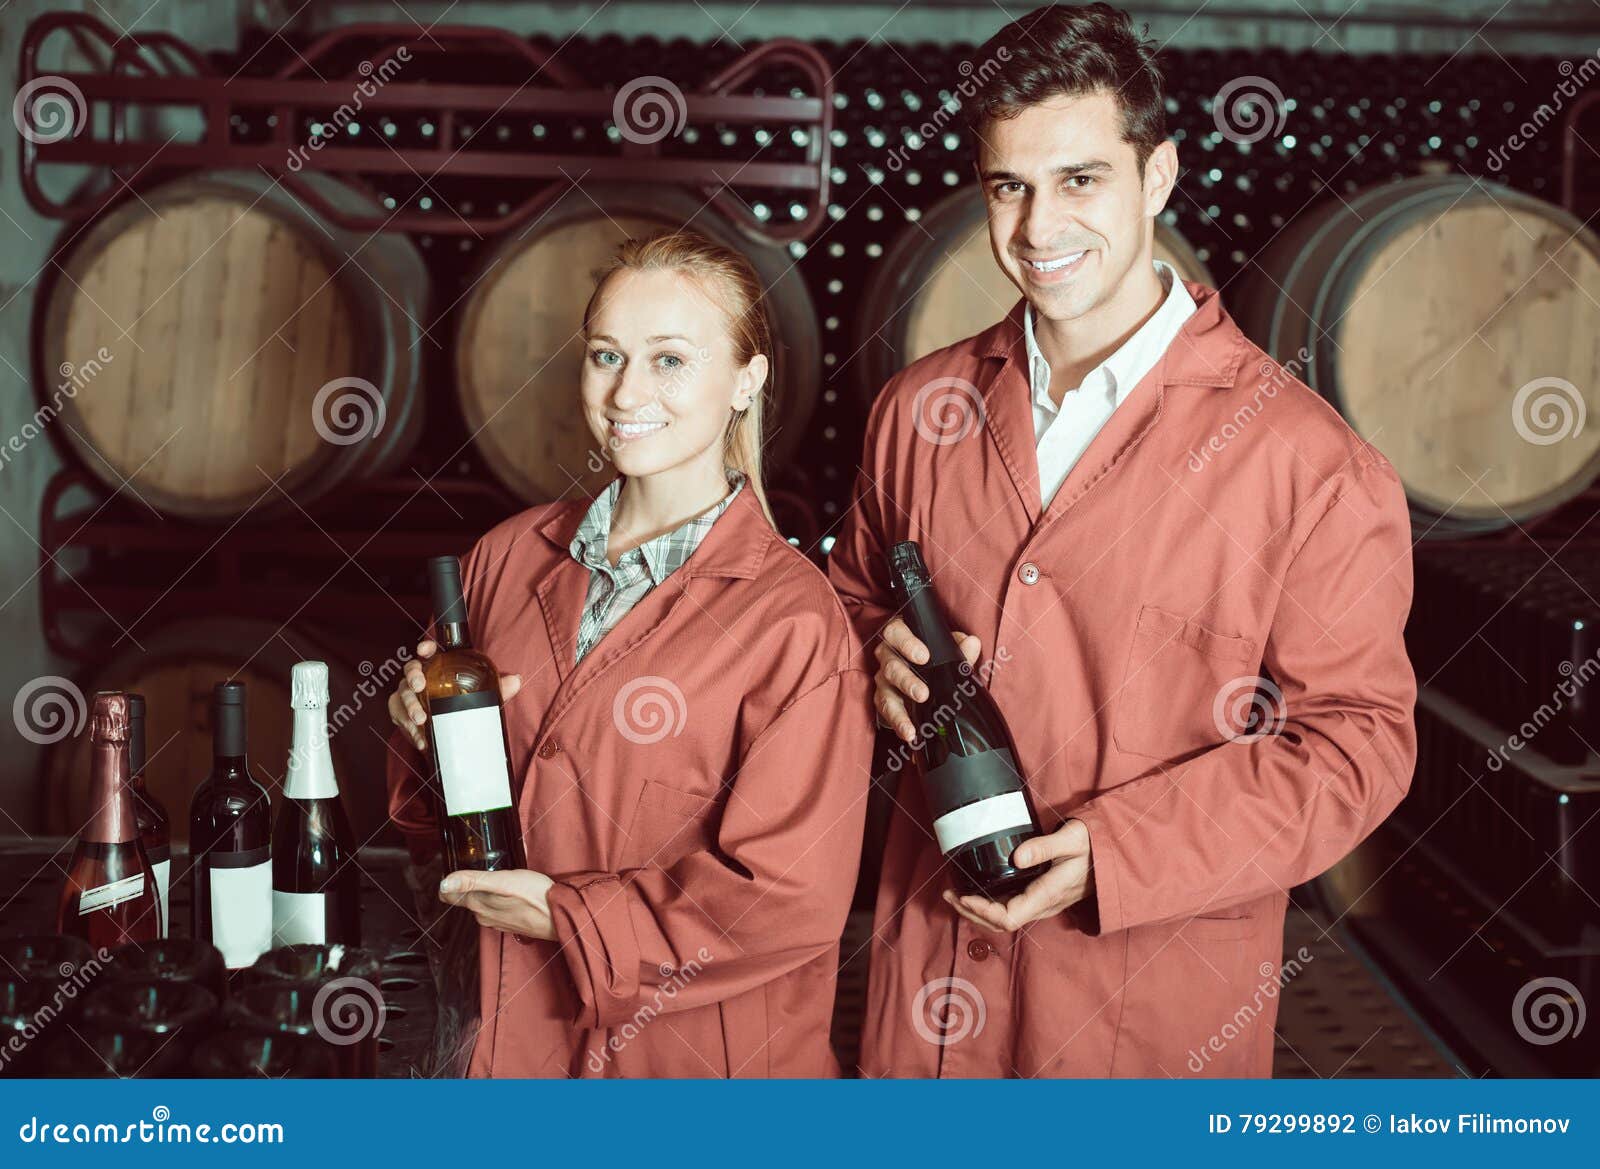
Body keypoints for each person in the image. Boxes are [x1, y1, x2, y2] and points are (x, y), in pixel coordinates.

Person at [828, 3, 1417, 1077]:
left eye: (1080, 180)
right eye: (1010, 186)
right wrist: (870, 649)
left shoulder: (1303, 459)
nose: (1038, 227)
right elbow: (846, 604)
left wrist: (1118, 850)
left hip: (1147, 1017)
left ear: (1158, 178)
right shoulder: (921, 410)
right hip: (931, 999)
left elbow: (1355, 745)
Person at [385, 230, 872, 1077]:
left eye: (670, 360)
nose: (626, 391)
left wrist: (571, 919)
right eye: (606, 354)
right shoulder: (506, 556)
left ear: (746, 383)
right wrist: (420, 738)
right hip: (500, 1050)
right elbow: (444, 823)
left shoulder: (794, 619)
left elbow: (792, 899)